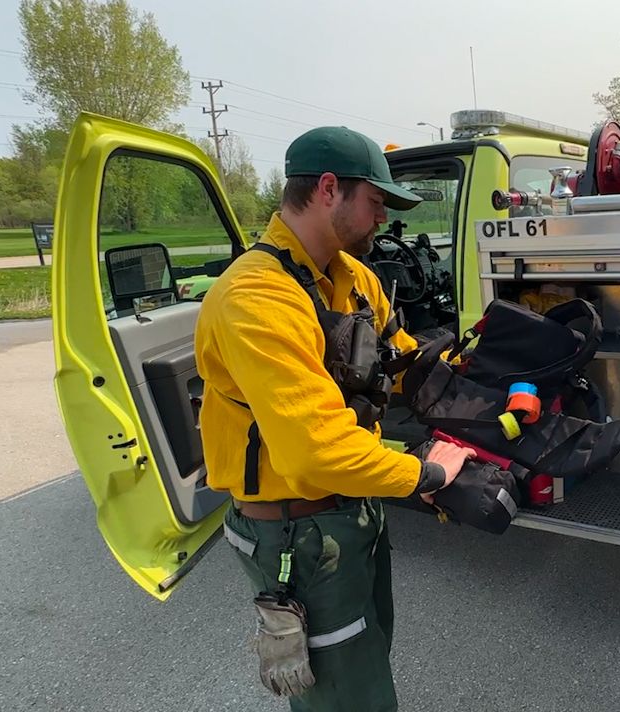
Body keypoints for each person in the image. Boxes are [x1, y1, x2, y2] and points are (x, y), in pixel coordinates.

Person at [194, 125, 475, 711]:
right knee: (346, 698)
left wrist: (476, 376)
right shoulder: (255, 299)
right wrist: (424, 474)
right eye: (376, 204)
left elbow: (400, 360)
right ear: (328, 189)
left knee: (368, 663)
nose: (383, 221)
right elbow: (315, 451)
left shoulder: (355, 277)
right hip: (298, 534)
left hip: (354, 509)